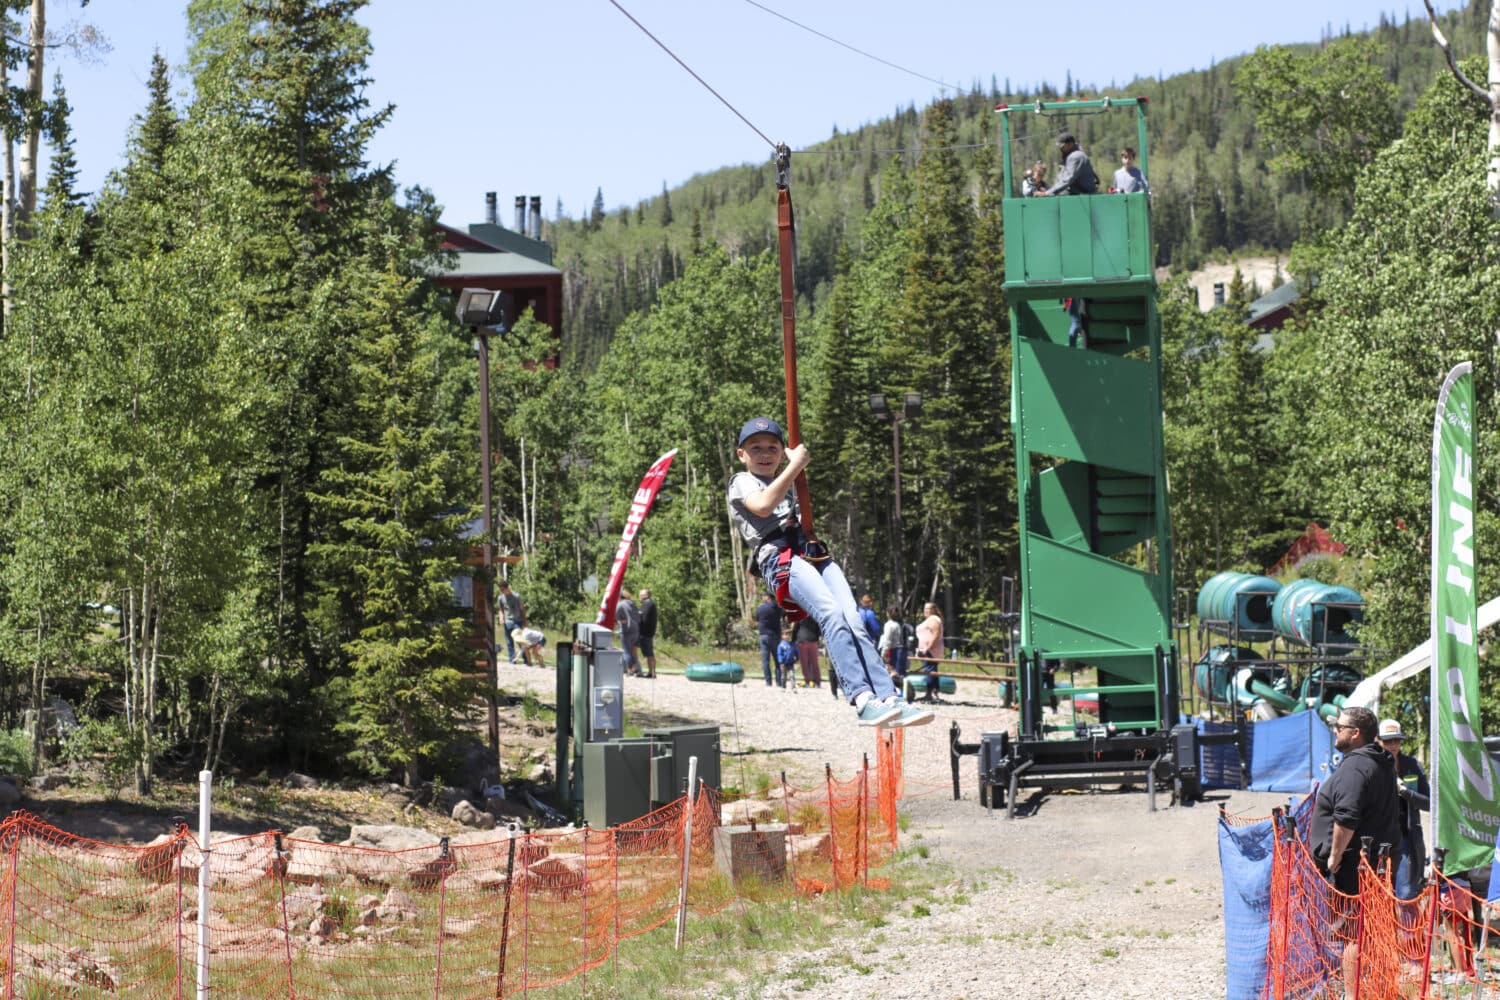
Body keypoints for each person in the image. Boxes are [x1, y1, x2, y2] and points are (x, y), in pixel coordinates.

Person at [727, 417, 931, 728]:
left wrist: (795, 468)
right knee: (831, 615)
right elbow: (765, 506)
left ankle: (889, 697)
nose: (765, 453)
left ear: (782, 451)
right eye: (756, 448)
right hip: (779, 557)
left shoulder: (789, 476)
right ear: (743, 454)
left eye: (772, 447)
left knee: (854, 620)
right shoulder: (742, 481)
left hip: (810, 550)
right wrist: (794, 466)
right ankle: (862, 698)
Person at [1309, 706, 1401, 896]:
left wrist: (1334, 856)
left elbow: (1347, 817)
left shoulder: (1356, 767)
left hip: (1352, 873)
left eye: (1340, 727)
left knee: (1347, 925)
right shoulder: (1377, 761)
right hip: (1369, 867)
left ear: (1355, 733)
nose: (1336, 730)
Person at [1377, 718, 1430, 900]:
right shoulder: (1371, 765)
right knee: (1380, 896)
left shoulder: (1411, 765)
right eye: (1387, 741)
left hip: (1406, 838)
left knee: (1406, 893)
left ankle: (1408, 930)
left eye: (1396, 740)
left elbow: (1429, 803)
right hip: (1377, 839)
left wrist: (1406, 793)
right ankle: (1386, 929)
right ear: (1378, 741)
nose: (1393, 745)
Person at [1036, 133, 1098, 197]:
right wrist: (1048, 190)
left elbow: (1067, 180)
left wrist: (1047, 193)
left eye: (1062, 146)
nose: (1060, 149)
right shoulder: (1074, 155)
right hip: (1078, 193)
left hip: (1082, 194)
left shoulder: (1075, 157)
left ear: (1070, 144)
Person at [914, 602, 945, 703]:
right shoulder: (929, 620)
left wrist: (928, 648)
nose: (926, 611)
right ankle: (934, 693)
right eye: (925, 609)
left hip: (931, 650)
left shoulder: (934, 619)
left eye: (928, 609)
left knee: (930, 670)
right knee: (932, 670)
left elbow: (936, 634)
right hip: (926, 649)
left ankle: (929, 694)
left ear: (933, 610)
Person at [755, 593, 783, 687]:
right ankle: (779, 681)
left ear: (768, 597)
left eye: (763, 596)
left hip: (764, 635)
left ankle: (768, 682)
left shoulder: (761, 608)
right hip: (775, 635)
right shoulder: (778, 608)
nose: (762, 597)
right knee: (777, 659)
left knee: (765, 660)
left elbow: (757, 618)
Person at [497, 580, 525, 665]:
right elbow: (501, 609)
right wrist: (501, 618)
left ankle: (526, 659)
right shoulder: (500, 598)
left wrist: (525, 621)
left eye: (503, 589)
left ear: (507, 588)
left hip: (517, 621)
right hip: (508, 622)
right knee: (509, 642)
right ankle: (512, 660)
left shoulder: (516, 596)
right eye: (500, 590)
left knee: (520, 640)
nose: (502, 591)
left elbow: (522, 609)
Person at [879, 605, 910, 679]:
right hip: (903, 650)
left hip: (895, 652)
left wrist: (883, 654)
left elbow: (887, 641)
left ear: (888, 613)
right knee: (901, 673)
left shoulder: (889, 625)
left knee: (895, 674)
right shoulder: (901, 624)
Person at [794, 614, 823, 690]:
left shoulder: (799, 616)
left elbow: (795, 628)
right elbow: (819, 630)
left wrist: (793, 640)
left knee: (805, 663)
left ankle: (808, 680)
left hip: (802, 641)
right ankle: (817, 682)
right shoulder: (815, 616)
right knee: (814, 663)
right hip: (813, 640)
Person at [616, 592, 642, 676]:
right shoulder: (633, 604)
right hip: (636, 630)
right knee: (633, 651)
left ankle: (630, 670)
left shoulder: (620, 604)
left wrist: (620, 620)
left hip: (626, 630)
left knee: (626, 651)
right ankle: (636, 669)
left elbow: (616, 616)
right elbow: (638, 616)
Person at [637, 588, 658, 678]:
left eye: (640, 595)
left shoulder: (647, 604)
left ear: (645, 596)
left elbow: (643, 619)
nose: (639, 597)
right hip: (649, 632)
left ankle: (652, 672)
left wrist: (639, 628)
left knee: (649, 653)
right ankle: (651, 672)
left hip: (646, 633)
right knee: (649, 653)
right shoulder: (650, 603)